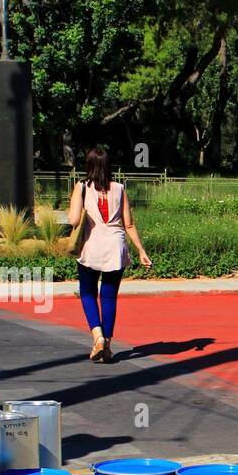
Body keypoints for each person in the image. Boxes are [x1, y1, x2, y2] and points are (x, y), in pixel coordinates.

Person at [67, 146, 152, 363]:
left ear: (89, 166)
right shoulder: (120, 189)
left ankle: (97, 337)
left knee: (87, 292)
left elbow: (74, 220)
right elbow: (129, 224)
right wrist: (141, 251)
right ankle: (108, 344)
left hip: (90, 247)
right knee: (109, 295)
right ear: (108, 167)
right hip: (116, 247)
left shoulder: (82, 187)